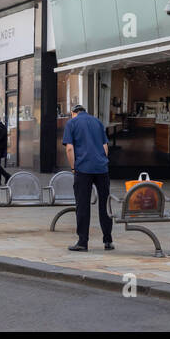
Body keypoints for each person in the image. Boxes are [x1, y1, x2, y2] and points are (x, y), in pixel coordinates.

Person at [63, 102, 114, 252]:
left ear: (73, 113)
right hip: (101, 169)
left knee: (83, 204)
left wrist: (73, 168)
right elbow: (105, 147)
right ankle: (108, 241)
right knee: (105, 204)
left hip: (83, 169)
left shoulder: (72, 123)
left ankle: (83, 242)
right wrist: (101, 161)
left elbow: (70, 148)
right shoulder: (97, 122)